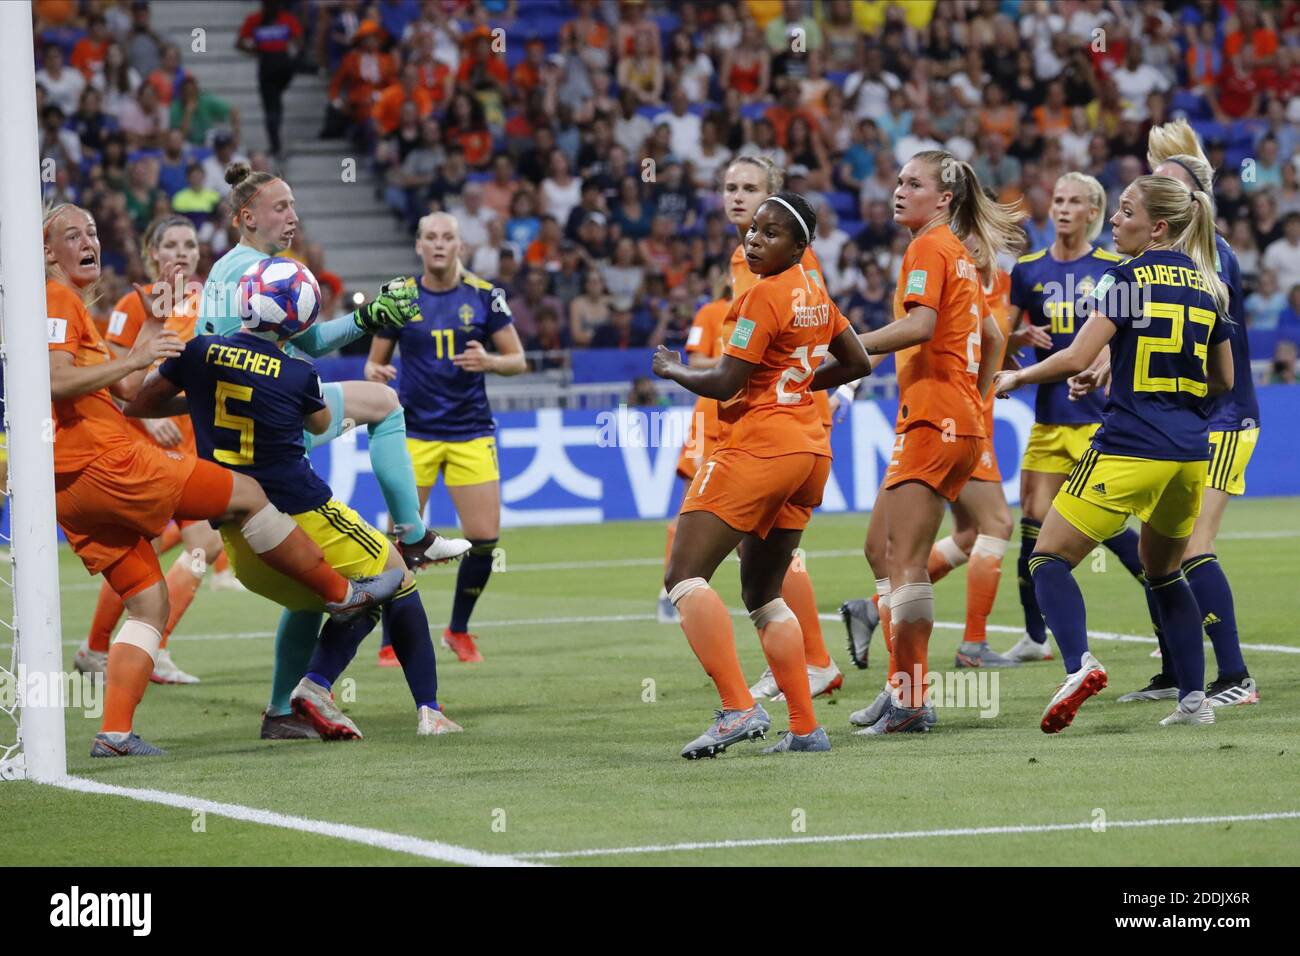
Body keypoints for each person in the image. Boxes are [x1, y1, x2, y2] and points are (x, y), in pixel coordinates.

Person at [43, 204, 399, 757]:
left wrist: (154, 331)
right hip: (107, 463)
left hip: (72, 487)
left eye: (92, 231)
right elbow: (57, 380)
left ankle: (114, 733)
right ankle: (342, 594)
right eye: (73, 234)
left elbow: (128, 391)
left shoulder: (83, 303)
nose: (89, 240)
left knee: (147, 604)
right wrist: (137, 355)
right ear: (46, 252)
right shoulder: (56, 298)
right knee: (248, 495)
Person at [126, 261, 461, 738]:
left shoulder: (200, 351)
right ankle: (422, 709)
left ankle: (284, 711)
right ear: (300, 318)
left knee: (329, 602)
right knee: (397, 579)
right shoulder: (297, 373)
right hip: (305, 517)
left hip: (243, 546)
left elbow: (139, 403)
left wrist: (204, 400)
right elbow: (320, 423)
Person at [201, 163, 467, 738]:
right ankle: (412, 533)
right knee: (386, 405)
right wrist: (368, 319)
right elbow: (301, 346)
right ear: (247, 216)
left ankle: (282, 710)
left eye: (294, 205)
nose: (292, 216)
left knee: (308, 594)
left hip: (243, 441)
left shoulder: (226, 270)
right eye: (280, 207)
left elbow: (286, 342)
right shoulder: (264, 272)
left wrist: (367, 318)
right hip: (277, 429)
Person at [994, 174, 1233, 731]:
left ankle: (1078, 664)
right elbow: (1223, 377)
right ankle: (1193, 701)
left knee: (1047, 558)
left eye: (1126, 211)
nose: (1116, 221)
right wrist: (1171, 397)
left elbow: (1077, 356)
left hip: (1130, 445)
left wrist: (1018, 376)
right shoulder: (1209, 284)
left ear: (1159, 228)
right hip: (1190, 453)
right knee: (1164, 572)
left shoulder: (1124, 278)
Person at [653, 192, 871, 757]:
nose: (754, 239)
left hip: (760, 450)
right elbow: (858, 363)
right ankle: (805, 728)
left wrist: (673, 369)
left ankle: (738, 708)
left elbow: (726, 382)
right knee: (764, 594)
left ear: (799, 247)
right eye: (753, 229)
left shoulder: (762, 295)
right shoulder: (815, 292)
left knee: (683, 575)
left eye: (770, 233)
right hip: (810, 454)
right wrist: (796, 385)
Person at [824, 150, 1018, 735]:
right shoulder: (958, 253)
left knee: (906, 562)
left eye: (914, 183)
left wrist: (847, 345)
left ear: (943, 199)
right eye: (899, 181)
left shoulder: (929, 248)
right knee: (879, 550)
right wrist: (975, 400)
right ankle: (898, 686)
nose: (899, 191)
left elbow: (920, 326)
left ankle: (911, 700)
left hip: (933, 421)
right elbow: (992, 335)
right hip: (951, 420)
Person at [1109, 120, 1262, 707]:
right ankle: (1176, 670)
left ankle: (1236, 677)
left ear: (1192, 201)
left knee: (1193, 548)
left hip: (1222, 418)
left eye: (1169, 187)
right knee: (1160, 553)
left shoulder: (1211, 255)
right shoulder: (1179, 256)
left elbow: (1202, 344)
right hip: (1179, 422)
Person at [987, 173, 1158, 664]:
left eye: (1074, 201)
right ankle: (1034, 638)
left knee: (1112, 530)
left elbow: (1131, 333)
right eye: (1058, 200)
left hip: (1098, 421)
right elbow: (999, 336)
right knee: (1032, 528)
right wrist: (1018, 340)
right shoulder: (1028, 270)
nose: (1062, 208)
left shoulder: (1113, 268)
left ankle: (1166, 619)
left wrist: (1103, 364)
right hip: (1048, 422)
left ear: (1092, 212)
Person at [365, 212, 527, 664]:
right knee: (402, 540)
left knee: (484, 539)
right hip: (412, 432)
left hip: (470, 431)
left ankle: (458, 630)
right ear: (419, 245)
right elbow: (373, 363)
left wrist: (490, 361)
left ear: (461, 246)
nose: (439, 244)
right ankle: (390, 640)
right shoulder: (401, 297)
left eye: (447, 237)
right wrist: (375, 372)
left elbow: (517, 359)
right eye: (431, 237)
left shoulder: (484, 296)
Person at [73, 216, 225, 685]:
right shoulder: (134, 303)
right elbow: (112, 378)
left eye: (189, 245)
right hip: (140, 445)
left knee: (196, 547)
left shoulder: (208, 303)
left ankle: (131, 648)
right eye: (171, 245)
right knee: (154, 552)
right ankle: (107, 648)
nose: (181, 253)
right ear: (152, 253)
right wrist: (149, 415)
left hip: (191, 447)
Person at [236, 0, 302, 158]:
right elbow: (299, 42)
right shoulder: (286, 18)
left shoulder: (256, 19)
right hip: (282, 62)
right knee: (274, 101)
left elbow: (239, 43)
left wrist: (256, 50)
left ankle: (275, 145)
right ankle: (276, 142)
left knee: (271, 105)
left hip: (268, 63)